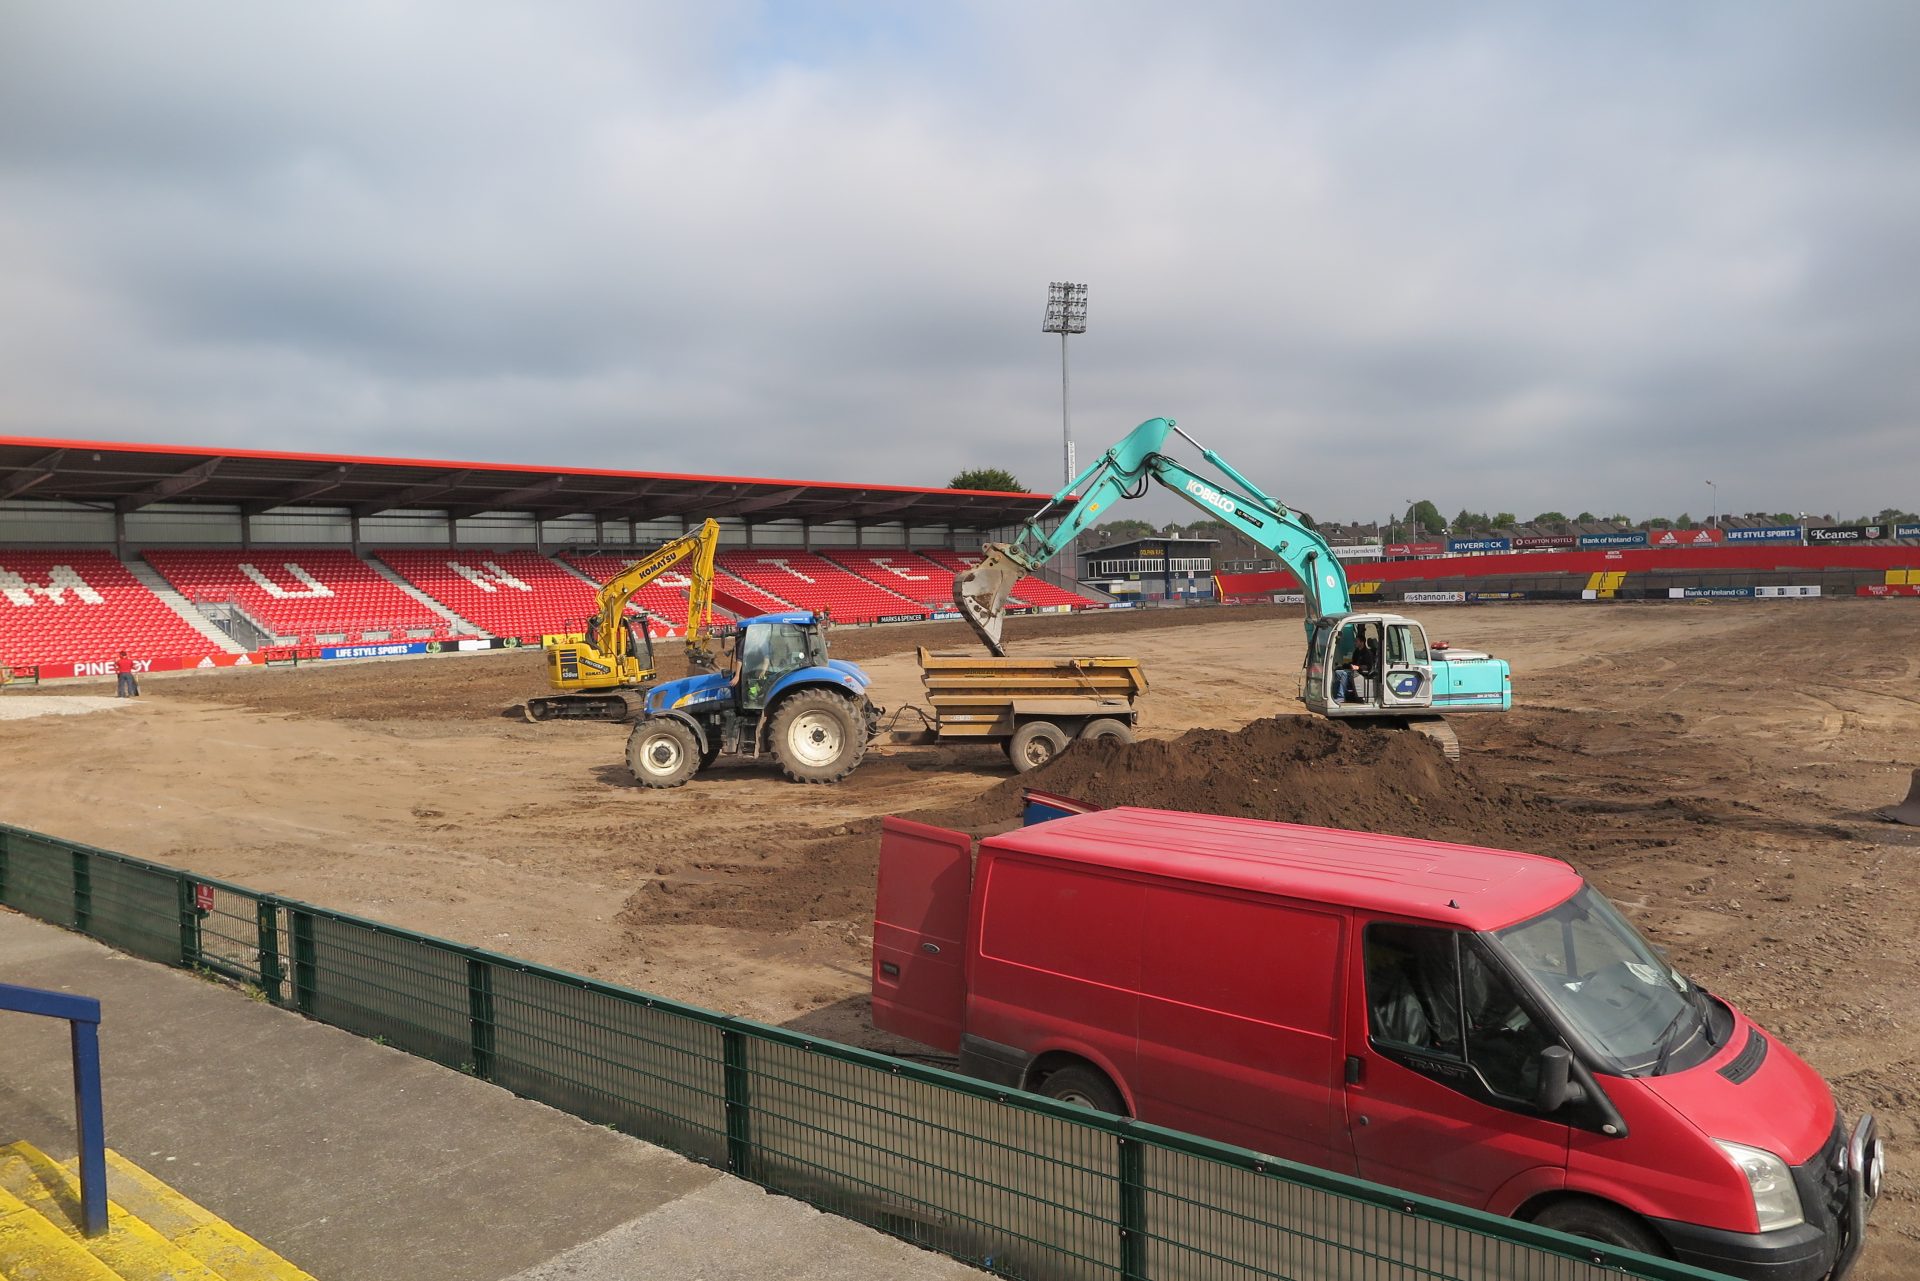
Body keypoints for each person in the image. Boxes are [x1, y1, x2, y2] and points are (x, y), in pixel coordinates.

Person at [1332, 627, 1378, 704]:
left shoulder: (1368, 653)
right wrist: (1342, 665)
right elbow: (1352, 663)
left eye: (1356, 641)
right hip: (1354, 671)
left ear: (1362, 642)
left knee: (1344, 674)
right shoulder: (1357, 651)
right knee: (1338, 672)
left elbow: (1368, 667)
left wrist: (1358, 667)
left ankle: (1341, 697)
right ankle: (1337, 694)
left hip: (1362, 673)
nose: (1355, 643)